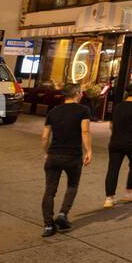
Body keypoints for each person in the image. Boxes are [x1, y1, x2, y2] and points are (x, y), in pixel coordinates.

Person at [40, 84, 92, 237]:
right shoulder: (83, 110)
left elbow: (44, 136)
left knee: (50, 190)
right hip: (73, 156)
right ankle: (63, 213)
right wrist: (88, 150)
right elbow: (85, 131)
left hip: (54, 155)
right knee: (72, 185)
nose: (82, 93)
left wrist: (46, 152)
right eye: (81, 91)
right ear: (76, 93)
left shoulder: (53, 111)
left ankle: (48, 225)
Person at [104, 81, 132, 208]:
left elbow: (111, 125)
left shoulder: (117, 107)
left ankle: (109, 198)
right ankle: (129, 193)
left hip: (115, 143)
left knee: (113, 169)